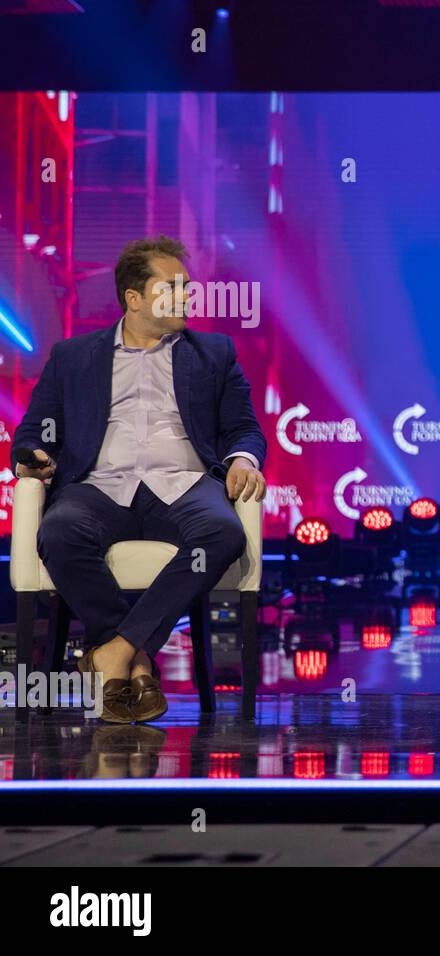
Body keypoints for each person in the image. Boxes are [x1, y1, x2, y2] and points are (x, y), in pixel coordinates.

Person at [13, 236, 267, 724]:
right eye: (173, 287)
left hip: (185, 486)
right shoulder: (74, 357)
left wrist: (242, 459)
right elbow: (34, 430)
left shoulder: (214, 354)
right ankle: (138, 658)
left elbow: (243, 429)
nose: (188, 296)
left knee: (223, 531)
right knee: (61, 531)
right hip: (100, 486)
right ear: (134, 298)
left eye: (188, 287)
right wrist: (35, 457)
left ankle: (113, 653)